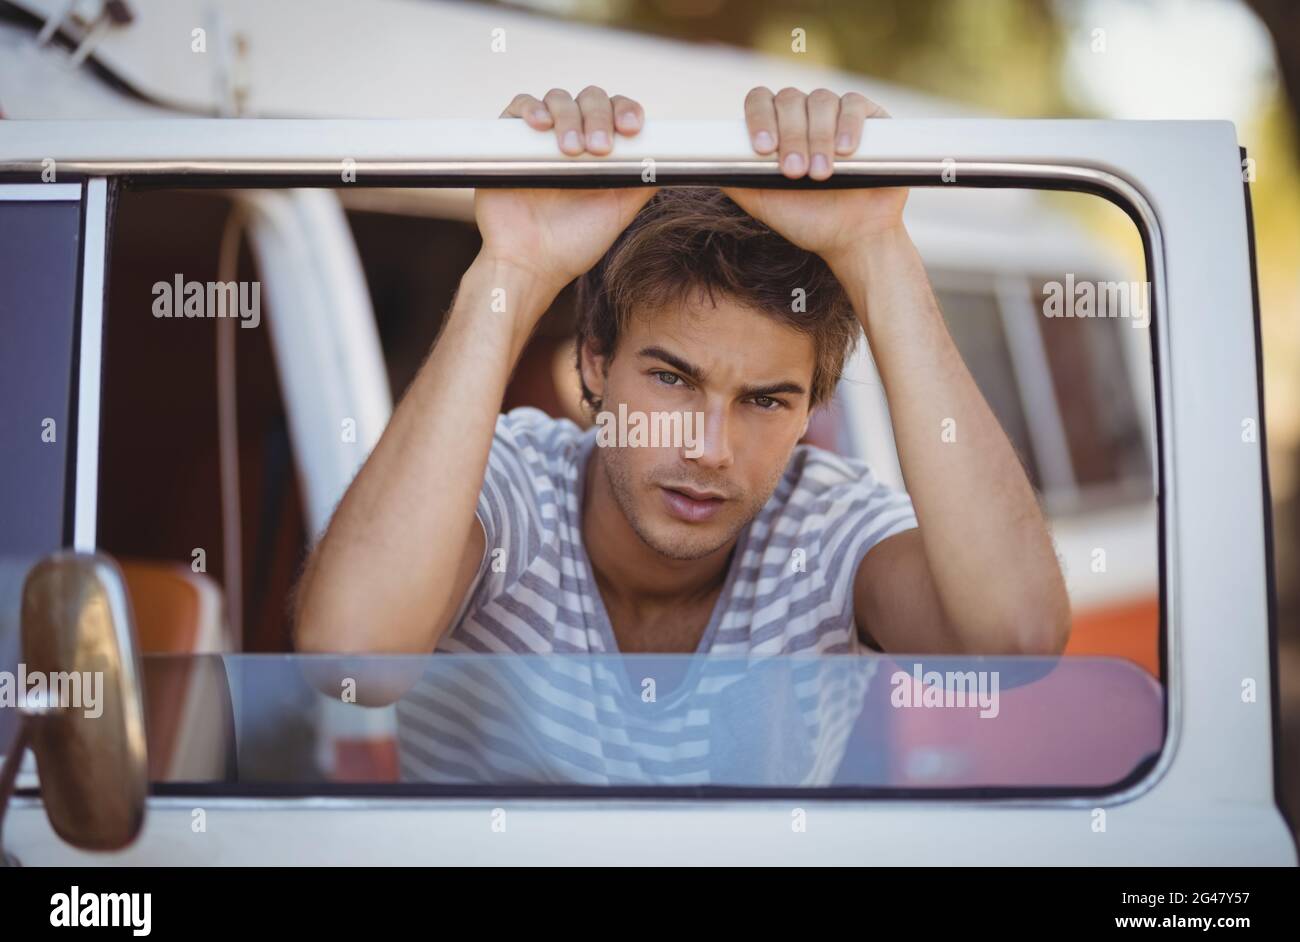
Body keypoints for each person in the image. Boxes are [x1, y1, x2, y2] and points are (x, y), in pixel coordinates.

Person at [293, 86, 1071, 663]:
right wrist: (513, 265)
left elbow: (1015, 640)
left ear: (810, 415)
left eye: (765, 399)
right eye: (672, 380)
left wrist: (876, 250)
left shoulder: (823, 529)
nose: (709, 449)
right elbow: (349, 653)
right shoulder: (513, 485)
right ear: (593, 362)